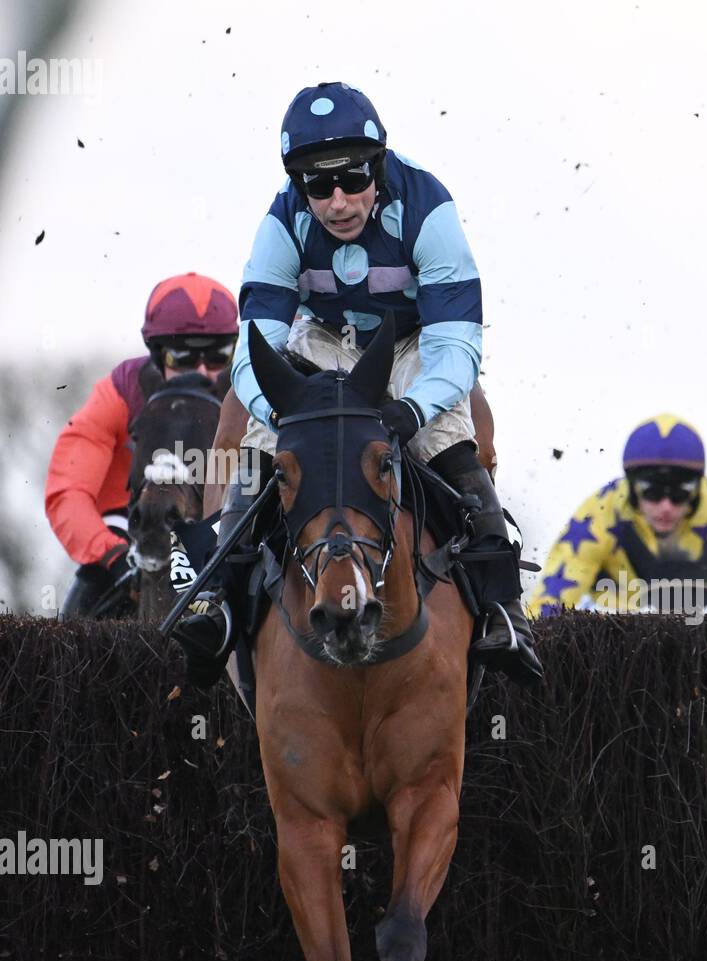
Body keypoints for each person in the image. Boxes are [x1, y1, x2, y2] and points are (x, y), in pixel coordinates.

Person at [173, 81, 541, 685]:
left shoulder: (430, 209)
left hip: (413, 343)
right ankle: (217, 600)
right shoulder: (281, 222)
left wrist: (414, 412)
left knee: (447, 443)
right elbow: (254, 350)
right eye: (318, 187)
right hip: (323, 340)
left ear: (379, 166)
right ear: (299, 186)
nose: (337, 202)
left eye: (351, 180)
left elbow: (457, 347)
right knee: (263, 445)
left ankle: (505, 608)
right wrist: (280, 411)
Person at [45, 273, 238, 617]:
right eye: (183, 356)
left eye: (219, 355)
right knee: (86, 597)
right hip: (133, 528)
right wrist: (112, 556)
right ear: (157, 352)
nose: (204, 371)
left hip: (224, 524)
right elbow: (68, 491)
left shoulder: (246, 390)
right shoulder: (120, 393)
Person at [526, 415, 707, 617]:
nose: (666, 507)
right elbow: (551, 600)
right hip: (616, 636)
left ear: (697, 489)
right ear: (632, 487)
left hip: (703, 632)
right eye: (652, 493)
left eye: (679, 494)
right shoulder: (600, 512)